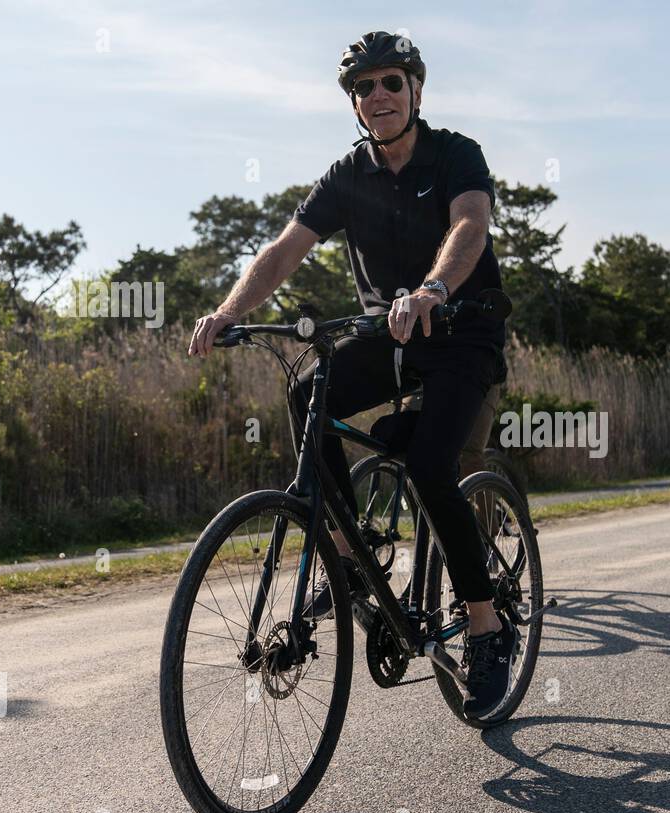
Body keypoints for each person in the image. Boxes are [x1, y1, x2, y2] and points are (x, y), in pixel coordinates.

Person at [187, 31, 514, 718]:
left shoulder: (456, 154)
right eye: (363, 88)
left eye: (390, 82)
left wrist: (432, 289)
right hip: (387, 337)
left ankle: (485, 626)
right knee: (308, 391)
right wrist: (227, 311)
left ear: (415, 90)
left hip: (460, 334)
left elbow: (470, 227)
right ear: (354, 104)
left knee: (430, 467)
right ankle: (347, 554)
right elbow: (283, 252)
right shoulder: (346, 175)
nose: (378, 96)